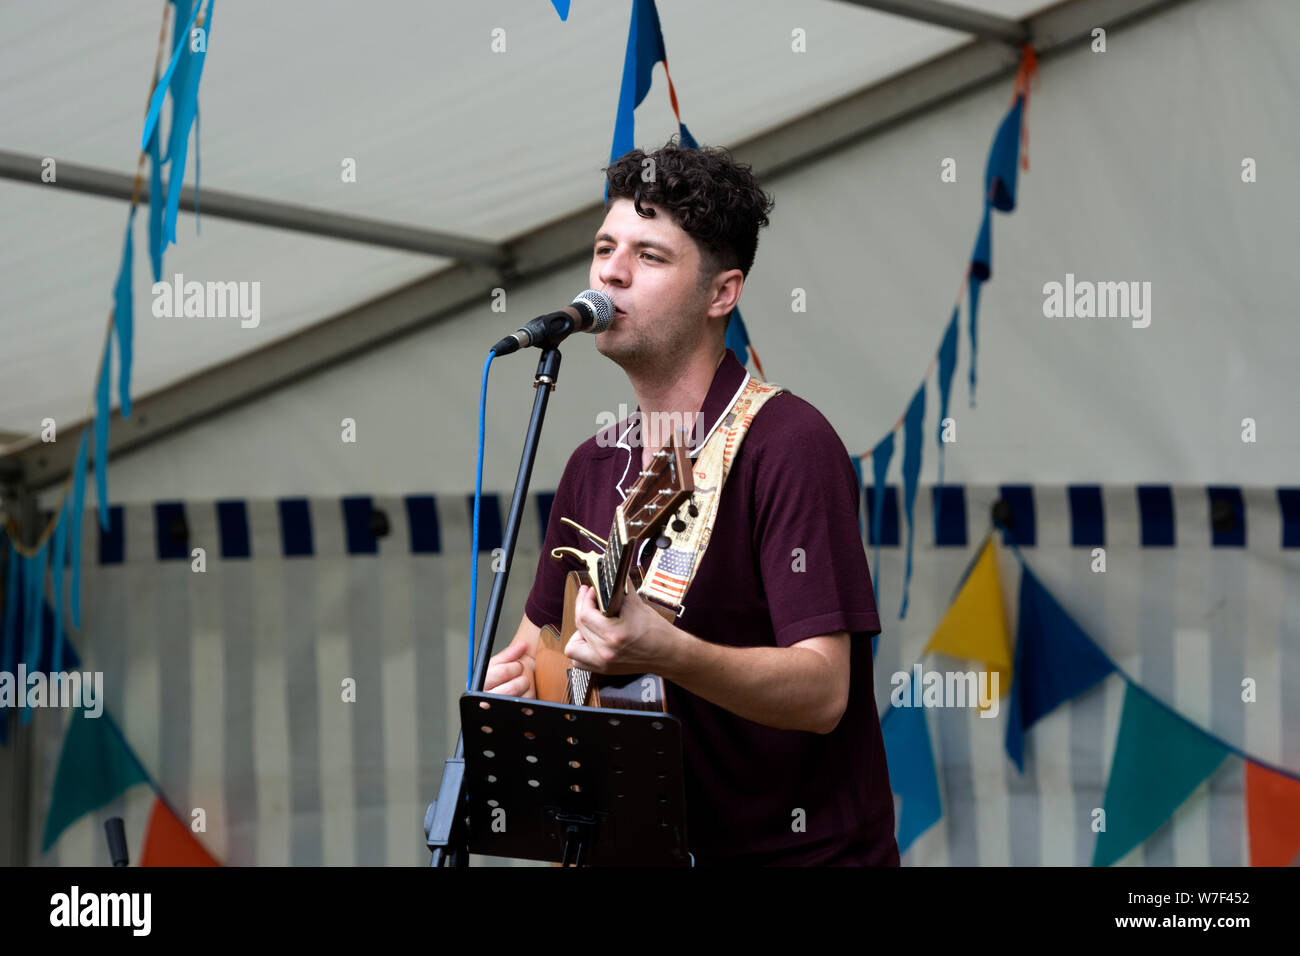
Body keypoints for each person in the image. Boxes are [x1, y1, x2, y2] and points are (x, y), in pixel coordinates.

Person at [485, 139, 898, 866]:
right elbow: (539, 655)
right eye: (605, 246)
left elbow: (825, 690)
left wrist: (668, 651)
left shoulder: (788, 443)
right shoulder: (593, 464)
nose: (610, 271)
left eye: (650, 256)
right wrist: (519, 687)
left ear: (721, 293)